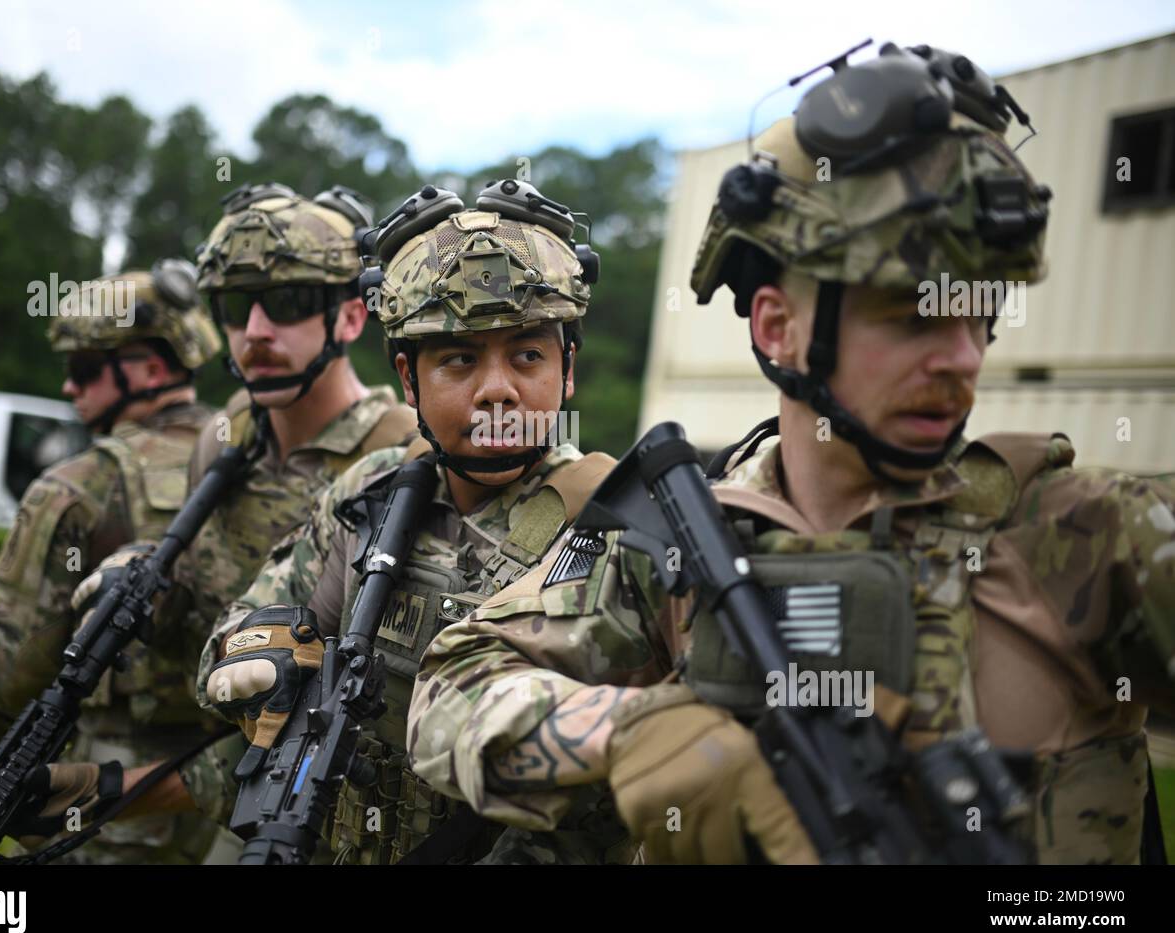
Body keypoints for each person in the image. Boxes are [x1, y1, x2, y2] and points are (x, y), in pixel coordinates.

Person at [406, 43, 1175, 864]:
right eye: (909, 313)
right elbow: (452, 683)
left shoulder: (1090, 534)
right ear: (778, 327)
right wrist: (627, 732)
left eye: (979, 312)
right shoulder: (678, 547)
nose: (960, 356)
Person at [199, 181, 631, 863]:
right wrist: (262, 660)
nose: (497, 389)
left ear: (567, 369)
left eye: (527, 355)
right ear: (408, 378)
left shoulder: (617, 525)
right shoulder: (369, 494)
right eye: (459, 358)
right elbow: (238, 632)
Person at [6, 184, 419, 856]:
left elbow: (366, 707)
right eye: (234, 306)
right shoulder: (228, 436)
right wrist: (143, 583)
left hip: (325, 817)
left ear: (348, 319)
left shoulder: (395, 459)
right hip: (212, 791)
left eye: (285, 304)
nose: (256, 331)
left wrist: (132, 786)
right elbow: (209, 614)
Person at [0, 260, 224, 862]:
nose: (68, 388)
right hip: (231, 773)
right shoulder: (254, 460)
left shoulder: (79, 484)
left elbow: (22, 660)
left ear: (150, 369)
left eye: (82, 370)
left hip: (111, 775)